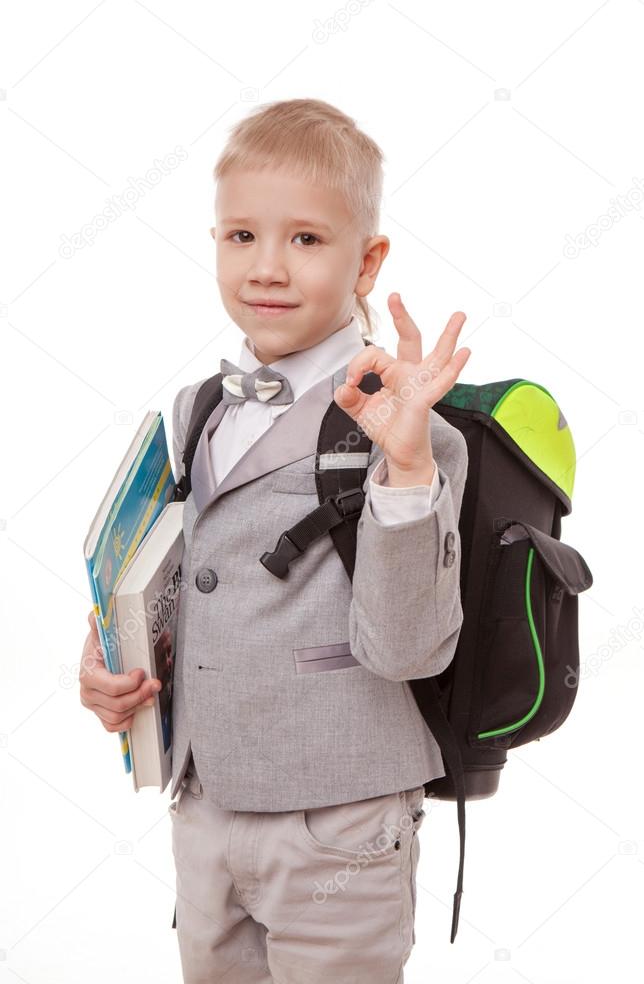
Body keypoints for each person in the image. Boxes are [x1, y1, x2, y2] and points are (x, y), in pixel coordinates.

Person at [80, 97, 471, 983]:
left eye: (305, 240)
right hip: (205, 800)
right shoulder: (200, 408)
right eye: (240, 236)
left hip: (341, 819)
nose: (266, 267)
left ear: (367, 260)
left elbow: (409, 646)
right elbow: (177, 573)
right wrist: (109, 656)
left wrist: (404, 464)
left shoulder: (409, 428)